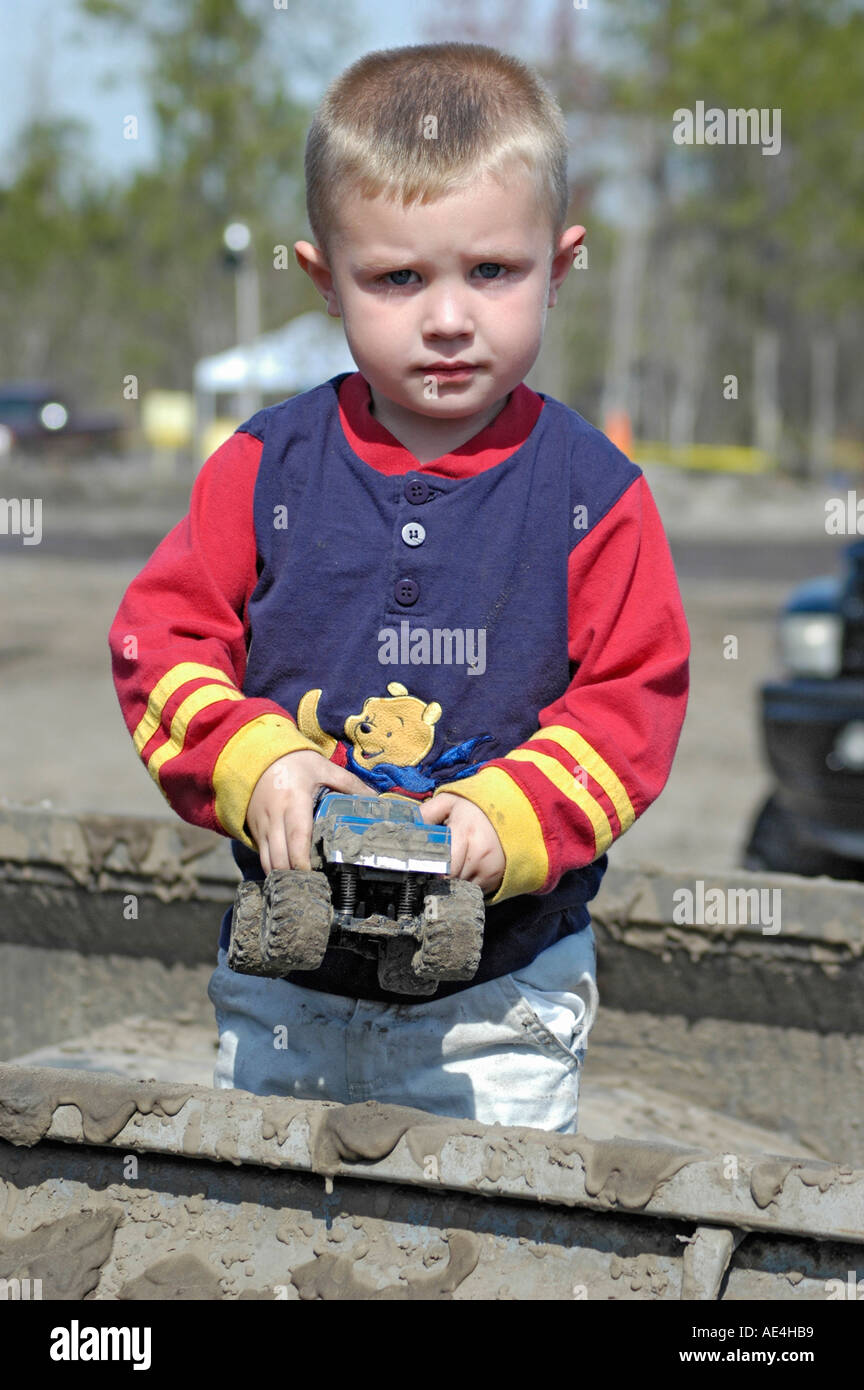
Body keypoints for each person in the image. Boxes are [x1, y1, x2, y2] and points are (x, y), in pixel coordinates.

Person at [109, 41, 690, 1134]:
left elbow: (633, 699)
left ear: (559, 266)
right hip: (285, 979)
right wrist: (257, 757)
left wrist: (505, 814)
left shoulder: (594, 494)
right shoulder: (264, 467)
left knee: (489, 1244)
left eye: (493, 272)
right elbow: (157, 641)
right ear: (325, 276)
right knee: (274, 1238)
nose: (449, 318)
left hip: (500, 1000)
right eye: (398, 278)